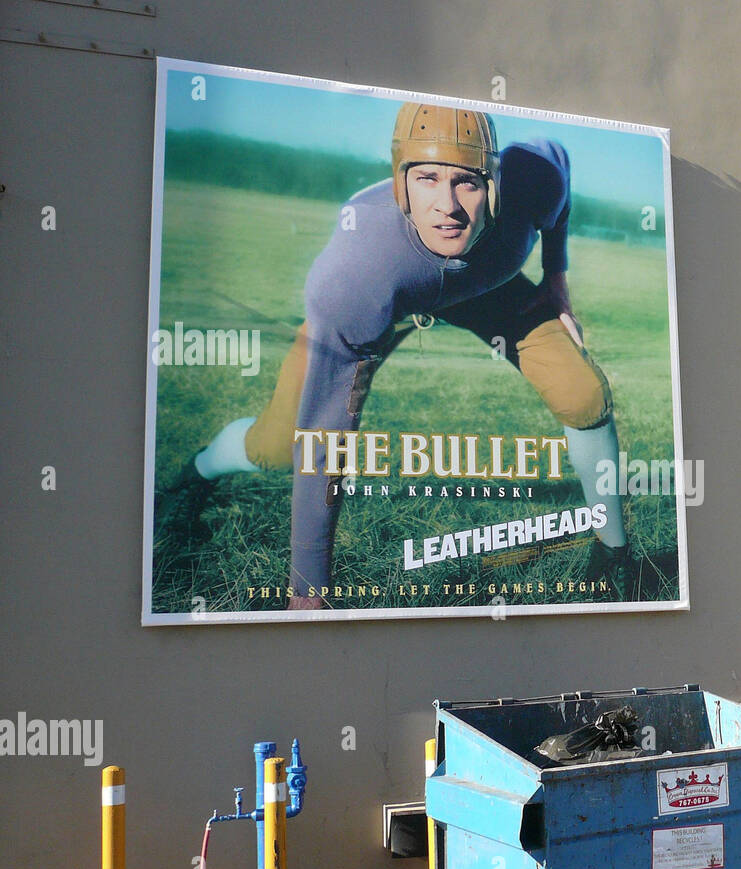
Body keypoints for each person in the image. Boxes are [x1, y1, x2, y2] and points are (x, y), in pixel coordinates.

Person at [155, 102, 638, 610]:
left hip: (485, 290)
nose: (446, 206)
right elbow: (325, 439)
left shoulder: (531, 183)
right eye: (427, 178)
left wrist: (556, 279)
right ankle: (200, 470)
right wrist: (308, 592)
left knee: (581, 392)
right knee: (277, 447)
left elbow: (556, 167)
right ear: (400, 181)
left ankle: (615, 557)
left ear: (495, 182)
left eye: (467, 183)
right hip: (391, 299)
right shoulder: (358, 274)